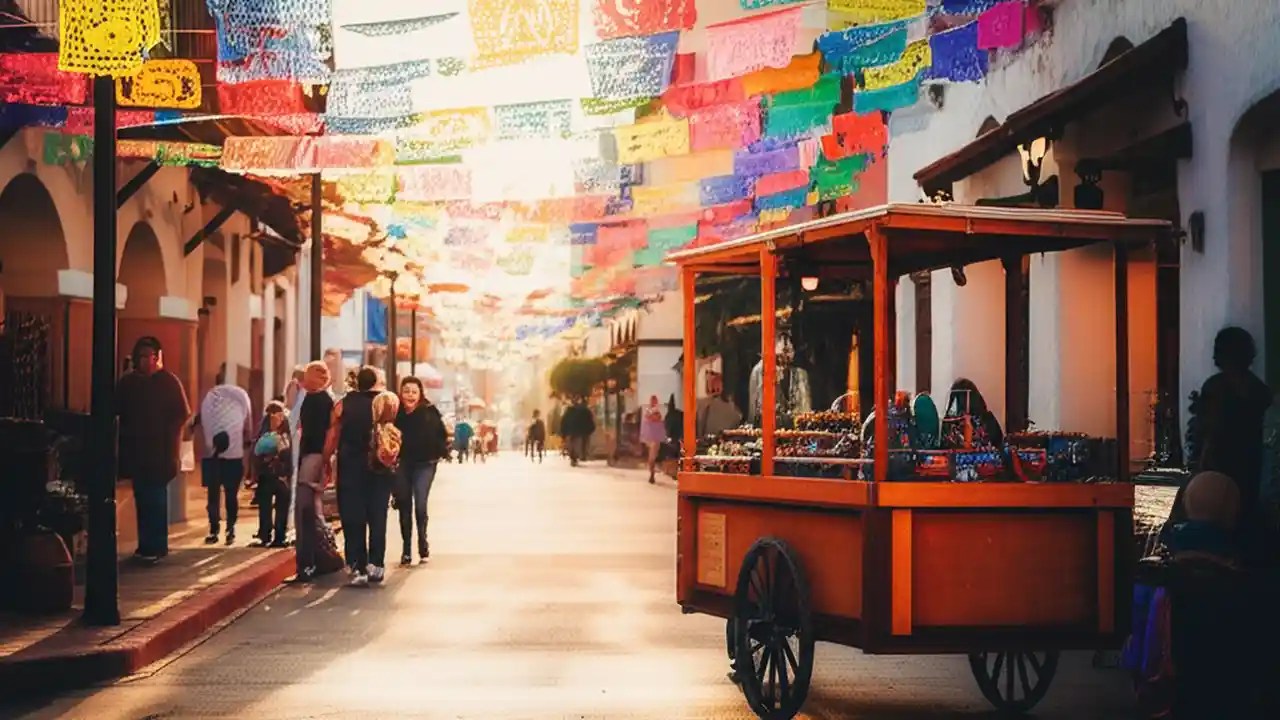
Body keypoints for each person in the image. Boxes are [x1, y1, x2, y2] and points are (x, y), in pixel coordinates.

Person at [1192, 327, 1272, 565]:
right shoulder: (1260, 391)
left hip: (1220, 470)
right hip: (1252, 473)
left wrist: (1200, 465)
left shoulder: (1215, 388)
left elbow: (1208, 432)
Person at [117, 337, 191, 562]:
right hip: (137, 453)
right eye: (142, 357)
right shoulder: (128, 384)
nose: (146, 361)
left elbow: (182, 412)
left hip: (161, 452)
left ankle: (157, 546)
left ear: (157, 358)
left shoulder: (168, 382)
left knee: (157, 499)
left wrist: (169, 434)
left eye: (151, 356)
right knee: (143, 499)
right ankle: (145, 545)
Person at [325, 367, 396, 587]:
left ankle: (357, 566)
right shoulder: (386, 403)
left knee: (353, 516)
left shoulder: (342, 405)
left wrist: (326, 460)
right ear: (376, 382)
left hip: (351, 466)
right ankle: (376, 564)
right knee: (377, 516)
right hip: (379, 466)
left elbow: (333, 434)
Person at [194, 366, 254, 546]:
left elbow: (203, 421)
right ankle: (230, 529)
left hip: (212, 453)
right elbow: (248, 425)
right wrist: (246, 444)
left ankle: (213, 530)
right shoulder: (241, 395)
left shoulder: (210, 396)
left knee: (213, 495)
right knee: (231, 494)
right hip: (234, 454)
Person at [288, 361, 335, 584]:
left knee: (304, 511)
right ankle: (316, 560)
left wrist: (324, 462)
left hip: (313, 458)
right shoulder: (315, 399)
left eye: (307, 375)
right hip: (312, 457)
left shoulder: (319, 401)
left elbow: (327, 434)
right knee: (311, 511)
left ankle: (307, 564)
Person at [394, 377, 447, 566]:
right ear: (401, 393)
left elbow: (441, 434)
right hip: (402, 464)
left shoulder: (429, 412)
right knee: (404, 505)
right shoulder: (395, 413)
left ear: (420, 394)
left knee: (420, 505)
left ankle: (422, 541)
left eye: (414, 392)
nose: (410, 395)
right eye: (406, 391)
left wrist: (440, 452)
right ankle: (406, 549)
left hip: (425, 464)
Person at [252, 401, 293, 548]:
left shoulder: (274, 432)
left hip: (273, 473)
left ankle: (270, 535)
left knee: (271, 505)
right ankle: (274, 536)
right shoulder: (283, 430)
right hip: (275, 473)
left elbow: (257, 452)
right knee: (275, 505)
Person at [560, 398, 596, 467]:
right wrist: (590, 429)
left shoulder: (568, 412)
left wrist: (563, 434)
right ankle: (577, 456)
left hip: (570, 432)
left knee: (572, 444)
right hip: (579, 431)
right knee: (577, 444)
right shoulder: (584, 410)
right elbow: (589, 420)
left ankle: (574, 457)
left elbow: (563, 422)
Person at [640, 395, 666, 484]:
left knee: (652, 457)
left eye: (655, 400)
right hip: (649, 437)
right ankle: (652, 473)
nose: (654, 402)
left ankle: (652, 474)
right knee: (650, 458)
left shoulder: (658, 411)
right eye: (652, 400)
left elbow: (658, 418)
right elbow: (648, 418)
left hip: (656, 438)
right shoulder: (648, 411)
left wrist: (654, 416)